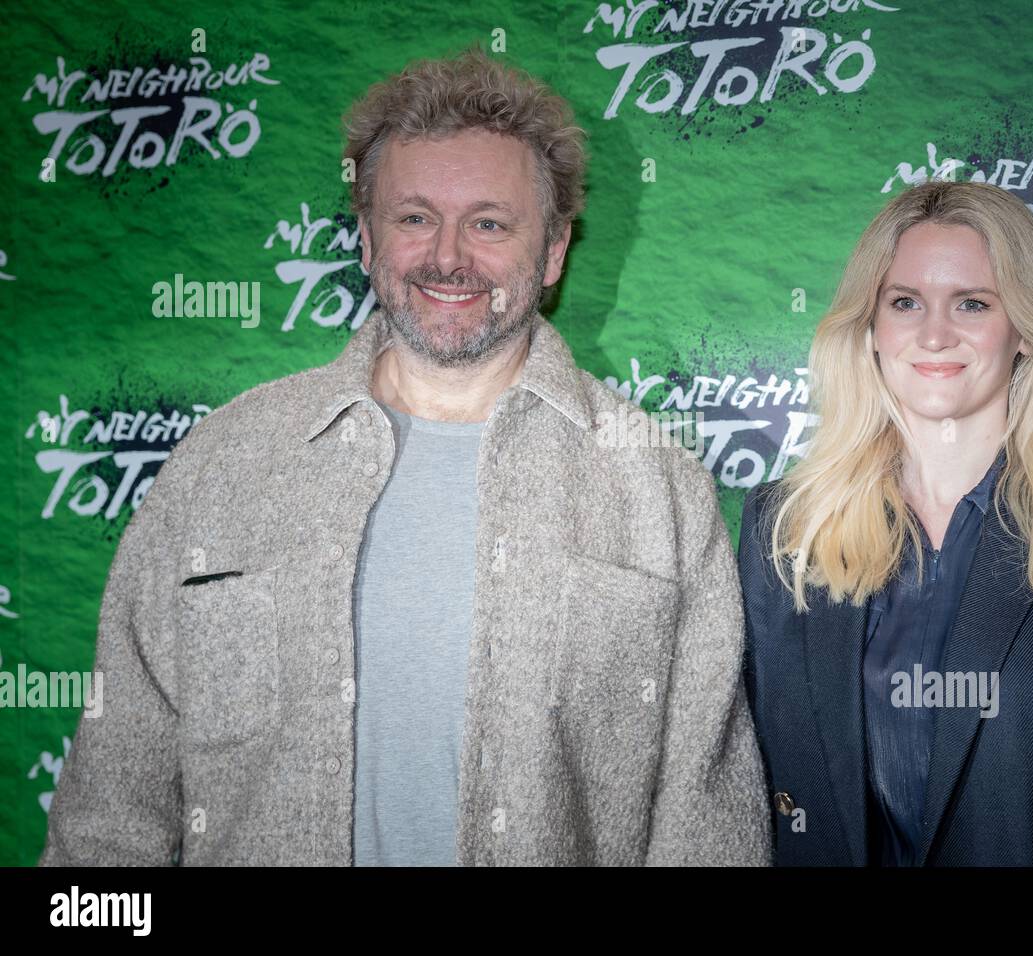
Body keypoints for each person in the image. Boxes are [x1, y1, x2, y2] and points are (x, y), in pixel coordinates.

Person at [40, 48, 771, 867]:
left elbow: (710, 832)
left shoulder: (656, 487)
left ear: (556, 250)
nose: (448, 257)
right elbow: (109, 820)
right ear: (364, 237)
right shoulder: (222, 466)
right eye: (415, 217)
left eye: (490, 223)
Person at [739, 179, 1033, 866]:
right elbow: (740, 794)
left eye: (972, 303)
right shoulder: (783, 530)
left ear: (1024, 326)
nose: (935, 333)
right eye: (905, 302)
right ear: (870, 326)